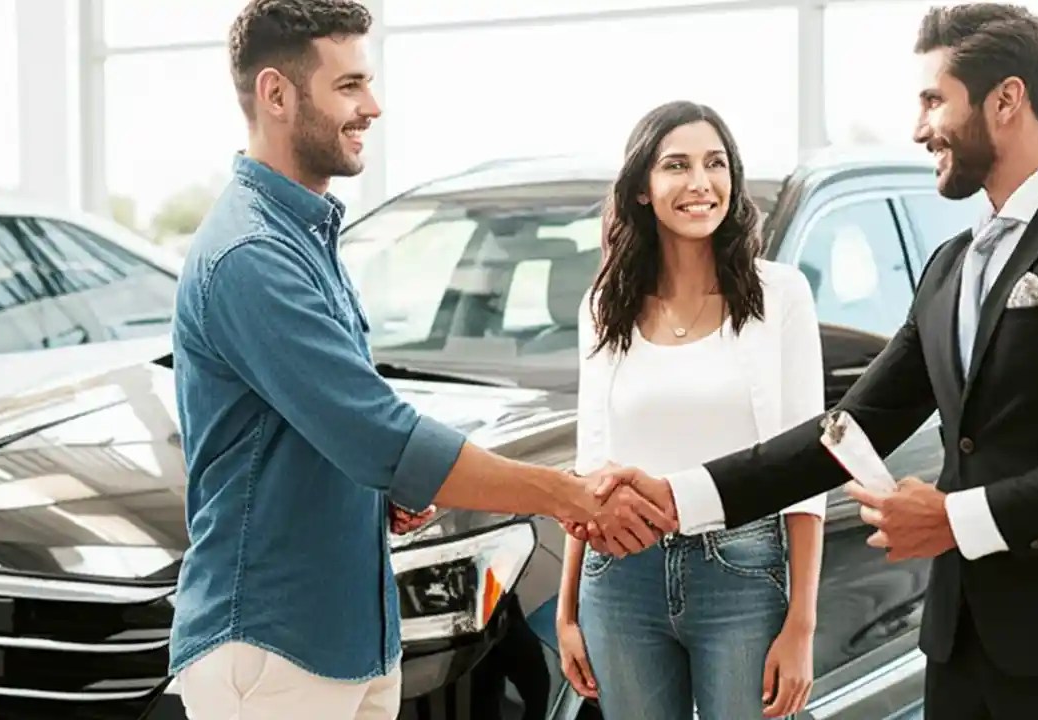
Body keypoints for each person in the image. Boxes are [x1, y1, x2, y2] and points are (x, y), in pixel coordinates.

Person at [584, 4, 1038, 719]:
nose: (918, 127)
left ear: (1006, 101)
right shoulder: (949, 266)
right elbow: (850, 428)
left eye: (934, 100)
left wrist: (958, 519)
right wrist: (673, 497)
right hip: (961, 647)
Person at [167, 2, 671, 718]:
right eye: (349, 86)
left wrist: (387, 485)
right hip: (273, 647)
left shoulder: (303, 234)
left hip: (349, 638)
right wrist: (566, 495)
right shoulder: (251, 254)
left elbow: (326, 420)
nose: (372, 106)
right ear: (276, 94)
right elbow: (374, 433)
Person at [556, 101, 827, 720]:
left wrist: (801, 627)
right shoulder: (605, 305)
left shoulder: (779, 295)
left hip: (741, 571)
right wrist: (569, 612)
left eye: (715, 164)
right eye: (676, 165)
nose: (700, 183)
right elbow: (590, 463)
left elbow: (808, 471)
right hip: (619, 579)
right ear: (643, 190)